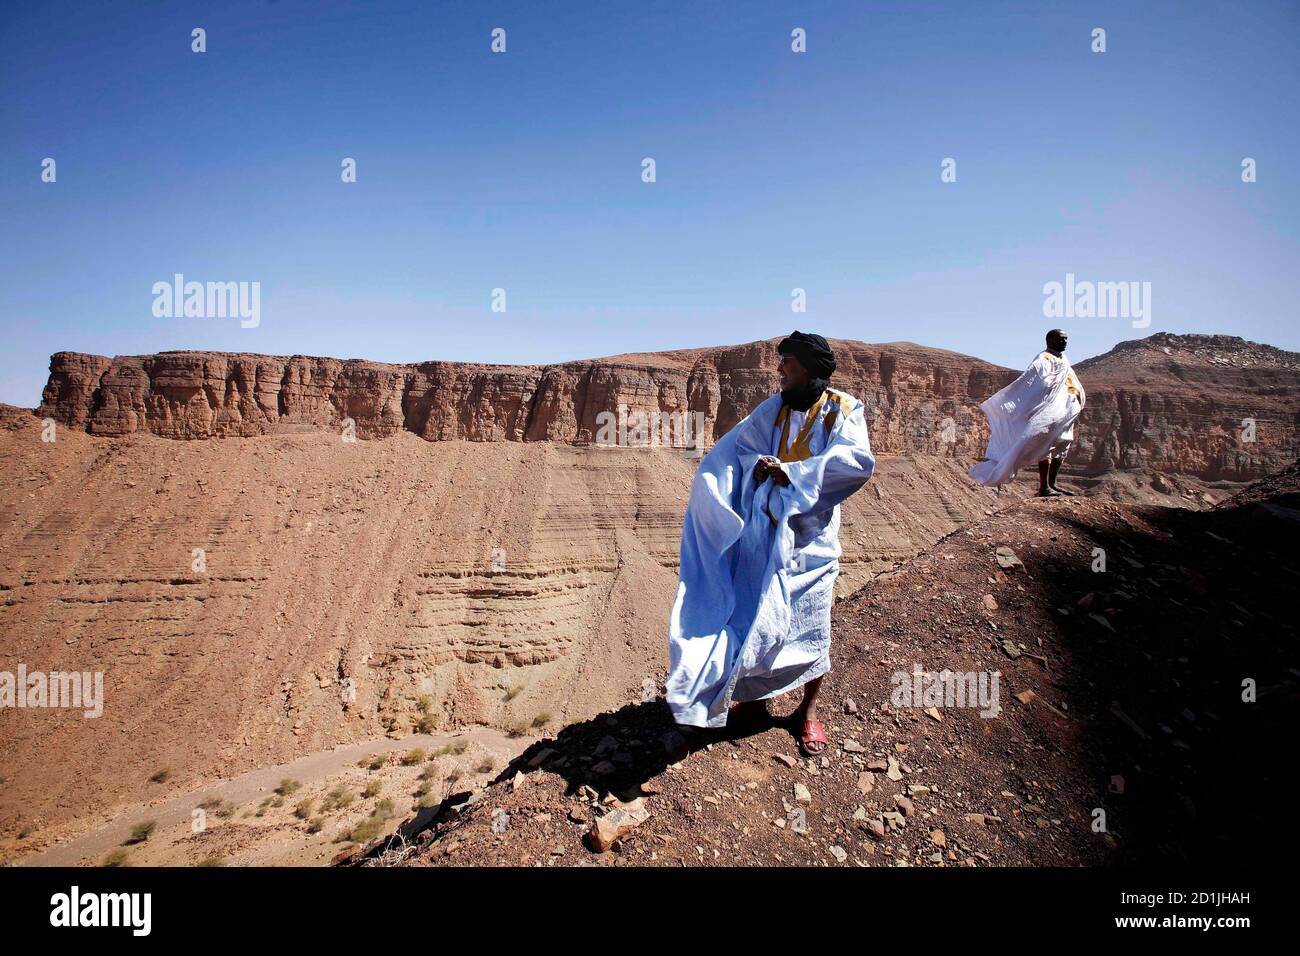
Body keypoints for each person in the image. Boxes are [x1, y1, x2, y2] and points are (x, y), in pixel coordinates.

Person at [666, 332, 876, 756]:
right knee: (757, 619)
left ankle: (807, 713)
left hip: (811, 541)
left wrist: (793, 475)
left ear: (810, 368)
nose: (779, 370)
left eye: (788, 363)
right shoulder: (773, 409)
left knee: (813, 627)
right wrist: (756, 465)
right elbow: (738, 449)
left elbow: (855, 464)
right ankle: (757, 701)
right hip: (765, 538)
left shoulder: (843, 410)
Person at [970, 329, 1085, 496]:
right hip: (1050, 409)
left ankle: (1053, 484)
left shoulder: (1064, 359)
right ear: (1050, 341)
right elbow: (1034, 380)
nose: (1065, 342)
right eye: (1061, 339)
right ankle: (1044, 487)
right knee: (1044, 443)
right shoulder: (1043, 359)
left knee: (1063, 442)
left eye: (1066, 339)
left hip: (1066, 410)